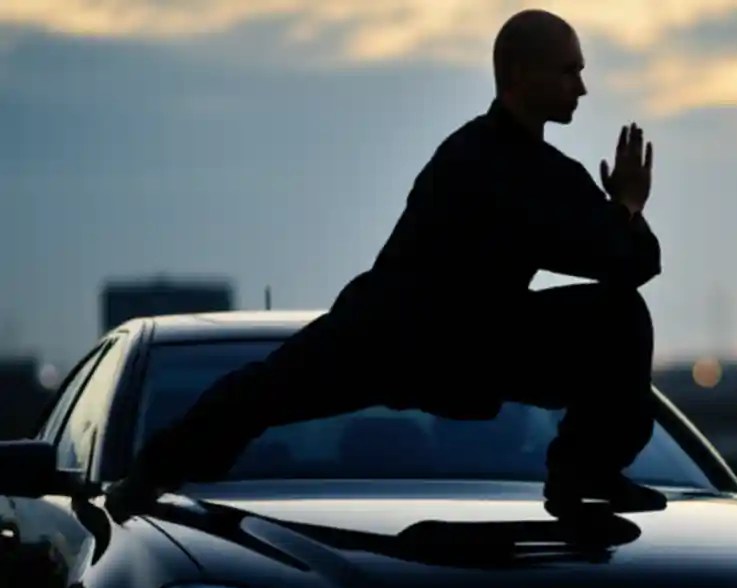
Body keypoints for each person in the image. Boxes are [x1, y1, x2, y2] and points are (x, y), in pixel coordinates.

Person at [108, 8, 668, 517]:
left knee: (619, 315)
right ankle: (150, 475)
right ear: (520, 73)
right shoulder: (481, 161)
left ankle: (584, 471)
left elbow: (630, 266)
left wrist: (624, 209)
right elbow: (621, 255)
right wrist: (622, 209)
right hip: (393, 335)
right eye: (569, 72)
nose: (582, 88)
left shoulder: (546, 174)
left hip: (475, 342)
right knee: (264, 392)